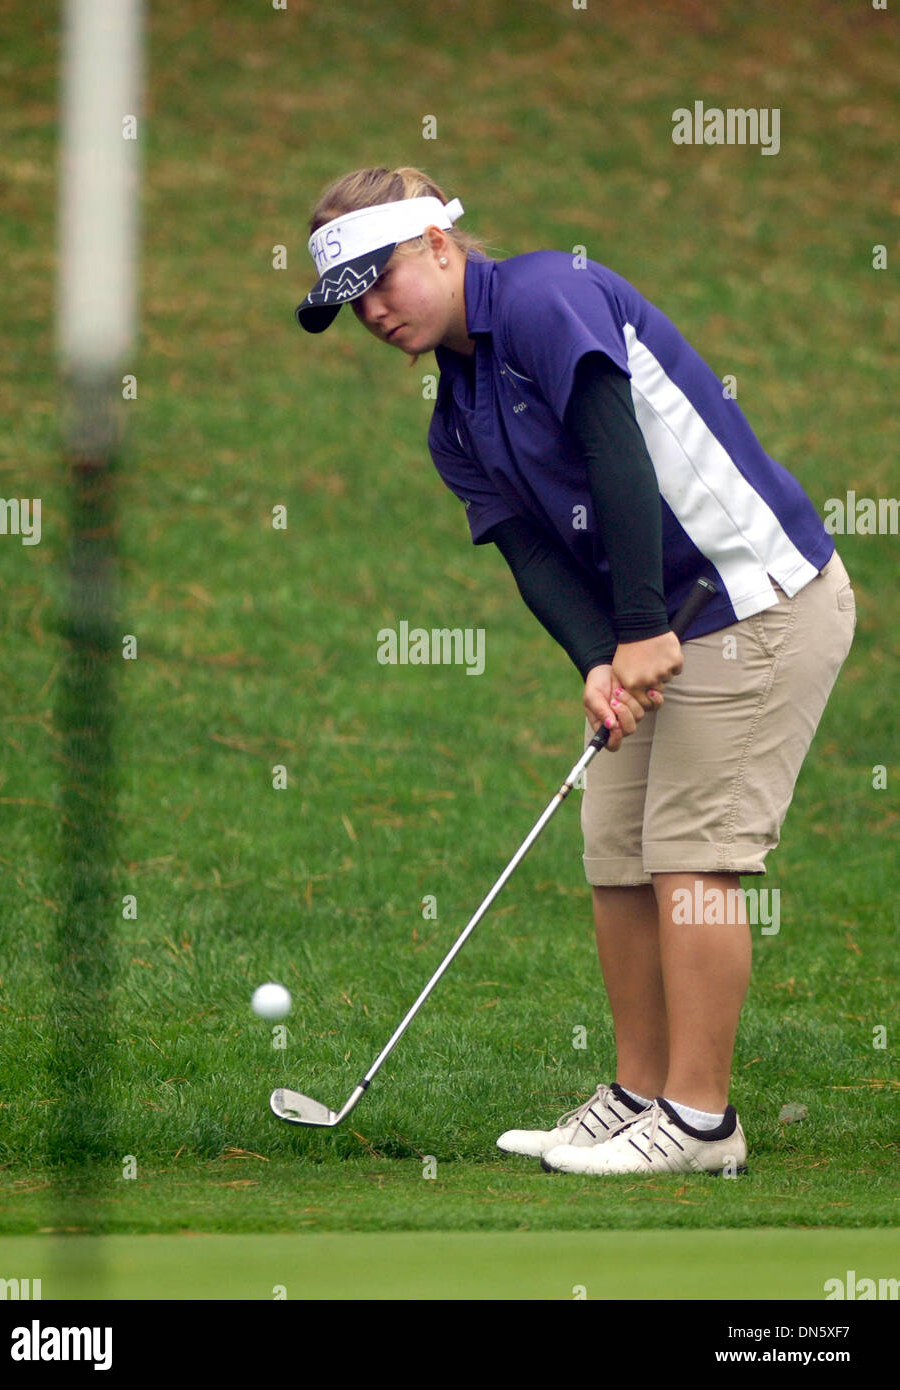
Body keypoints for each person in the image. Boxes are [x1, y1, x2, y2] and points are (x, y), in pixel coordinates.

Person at [295, 166, 855, 1176]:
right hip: (657, 625)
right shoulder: (454, 416)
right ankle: (640, 1095)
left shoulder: (551, 296)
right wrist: (598, 657)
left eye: (381, 278)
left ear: (437, 245)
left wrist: (636, 628)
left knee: (691, 853)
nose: (372, 310)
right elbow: (533, 557)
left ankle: (699, 1122)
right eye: (351, 300)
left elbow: (619, 457)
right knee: (615, 848)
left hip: (759, 599)